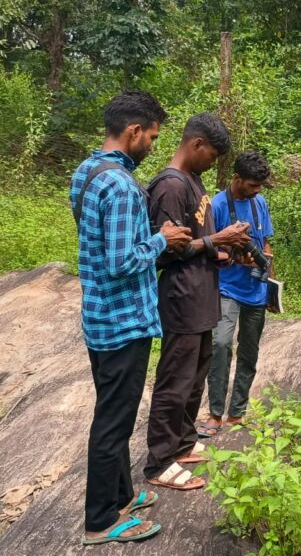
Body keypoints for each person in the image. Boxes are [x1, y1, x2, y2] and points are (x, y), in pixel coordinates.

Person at [70, 91, 192, 546]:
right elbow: (122, 261)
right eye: (152, 137)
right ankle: (101, 521)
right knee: (113, 423)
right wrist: (162, 239)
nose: (153, 146)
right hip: (123, 322)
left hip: (99, 317)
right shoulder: (121, 187)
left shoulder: (87, 172)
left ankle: (121, 495)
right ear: (134, 131)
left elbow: (101, 247)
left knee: (113, 411)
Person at [142, 112, 249, 491]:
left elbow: (195, 241)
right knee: (175, 379)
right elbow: (163, 251)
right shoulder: (170, 186)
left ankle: (183, 443)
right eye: (212, 155)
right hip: (182, 297)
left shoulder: (194, 180)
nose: (214, 163)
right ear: (196, 144)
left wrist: (220, 249)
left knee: (195, 377)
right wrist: (214, 242)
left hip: (204, 293)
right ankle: (158, 460)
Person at [199, 151, 274, 438]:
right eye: (252, 185)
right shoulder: (217, 205)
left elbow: (265, 245)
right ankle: (215, 413)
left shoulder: (260, 203)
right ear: (237, 179)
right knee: (219, 344)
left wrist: (270, 283)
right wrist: (231, 257)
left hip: (256, 289)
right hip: (226, 287)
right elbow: (209, 247)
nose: (256, 191)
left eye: (260, 187)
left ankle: (237, 412)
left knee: (249, 351)